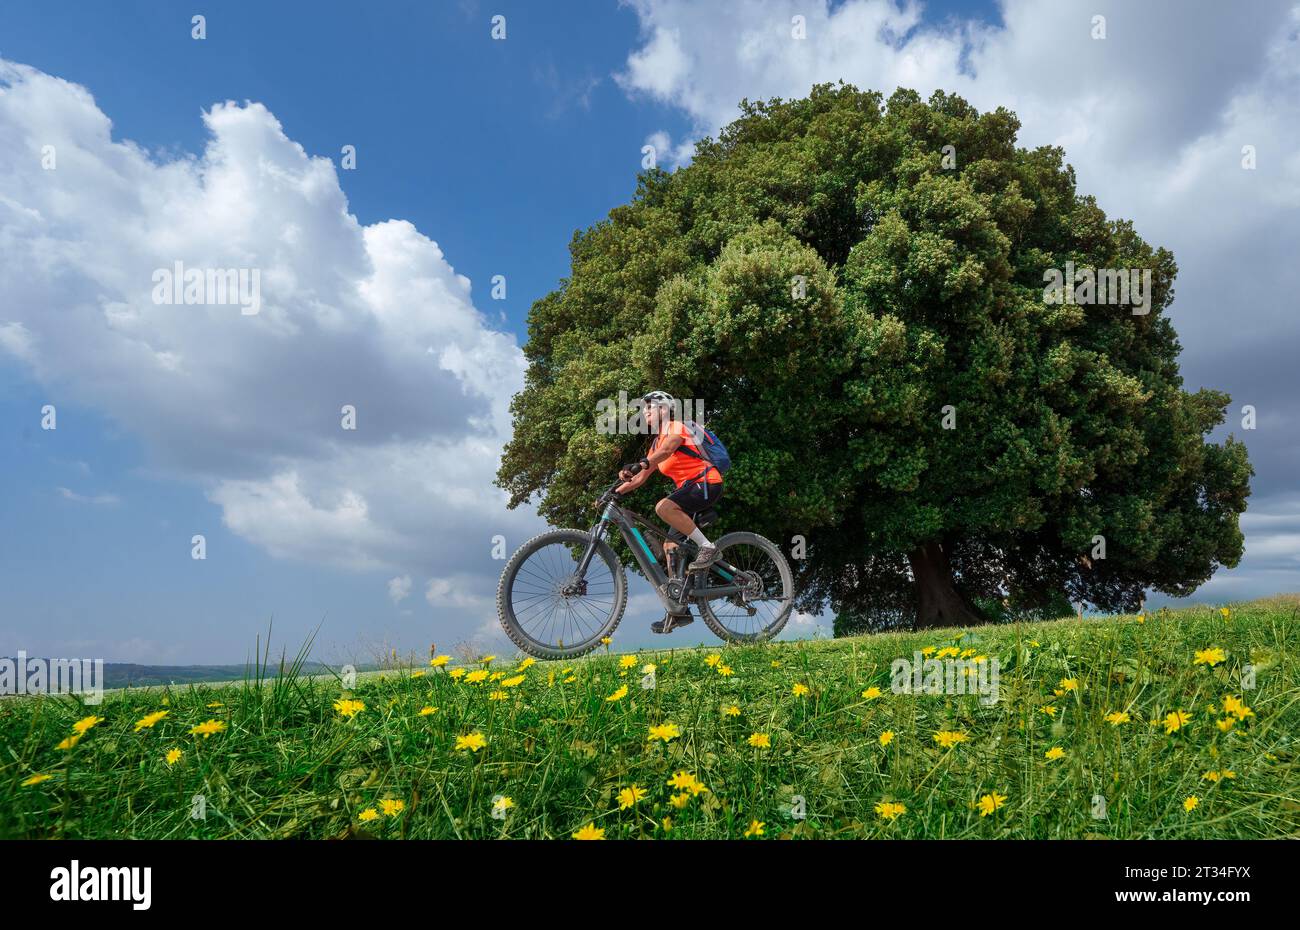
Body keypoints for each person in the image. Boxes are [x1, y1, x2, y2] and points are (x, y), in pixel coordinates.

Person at [614, 390, 723, 633]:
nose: (645, 413)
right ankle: (679, 611)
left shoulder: (676, 427)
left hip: (706, 483)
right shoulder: (655, 443)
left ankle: (708, 548)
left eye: (649, 408)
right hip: (689, 490)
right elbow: (640, 478)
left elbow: (667, 451)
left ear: (664, 409)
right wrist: (615, 492)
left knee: (663, 506)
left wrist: (642, 462)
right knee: (670, 546)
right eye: (643, 410)